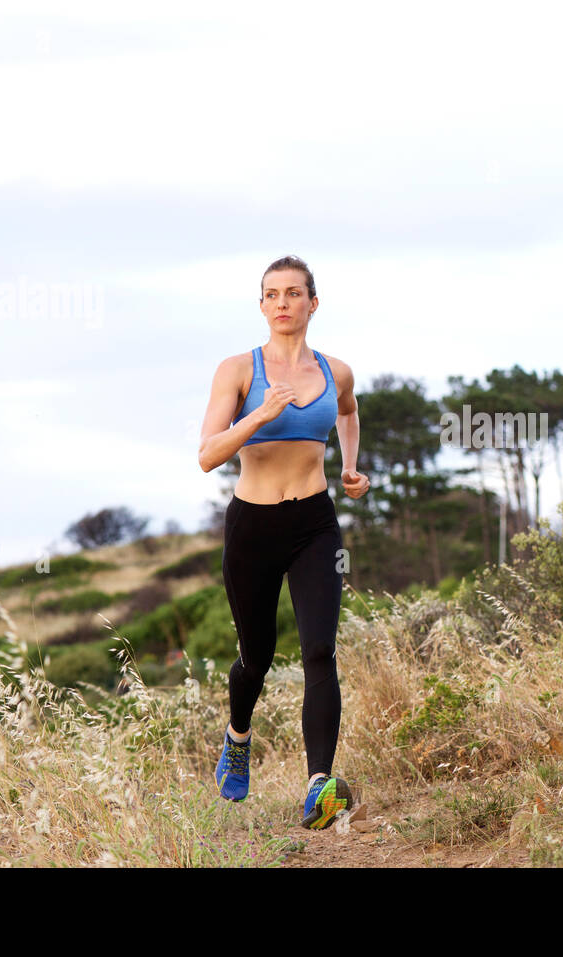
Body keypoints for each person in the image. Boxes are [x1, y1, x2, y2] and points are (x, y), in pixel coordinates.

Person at [197, 254, 370, 828]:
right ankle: (238, 738)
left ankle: (319, 782)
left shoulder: (335, 370)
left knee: (320, 649)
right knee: (258, 656)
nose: (282, 303)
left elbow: (348, 412)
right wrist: (258, 416)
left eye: (294, 293)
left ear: (312, 303)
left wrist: (350, 467)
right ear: (262, 305)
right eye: (271, 294)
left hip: (314, 524)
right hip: (252, 526)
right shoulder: (237, 371)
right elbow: (207, 455)